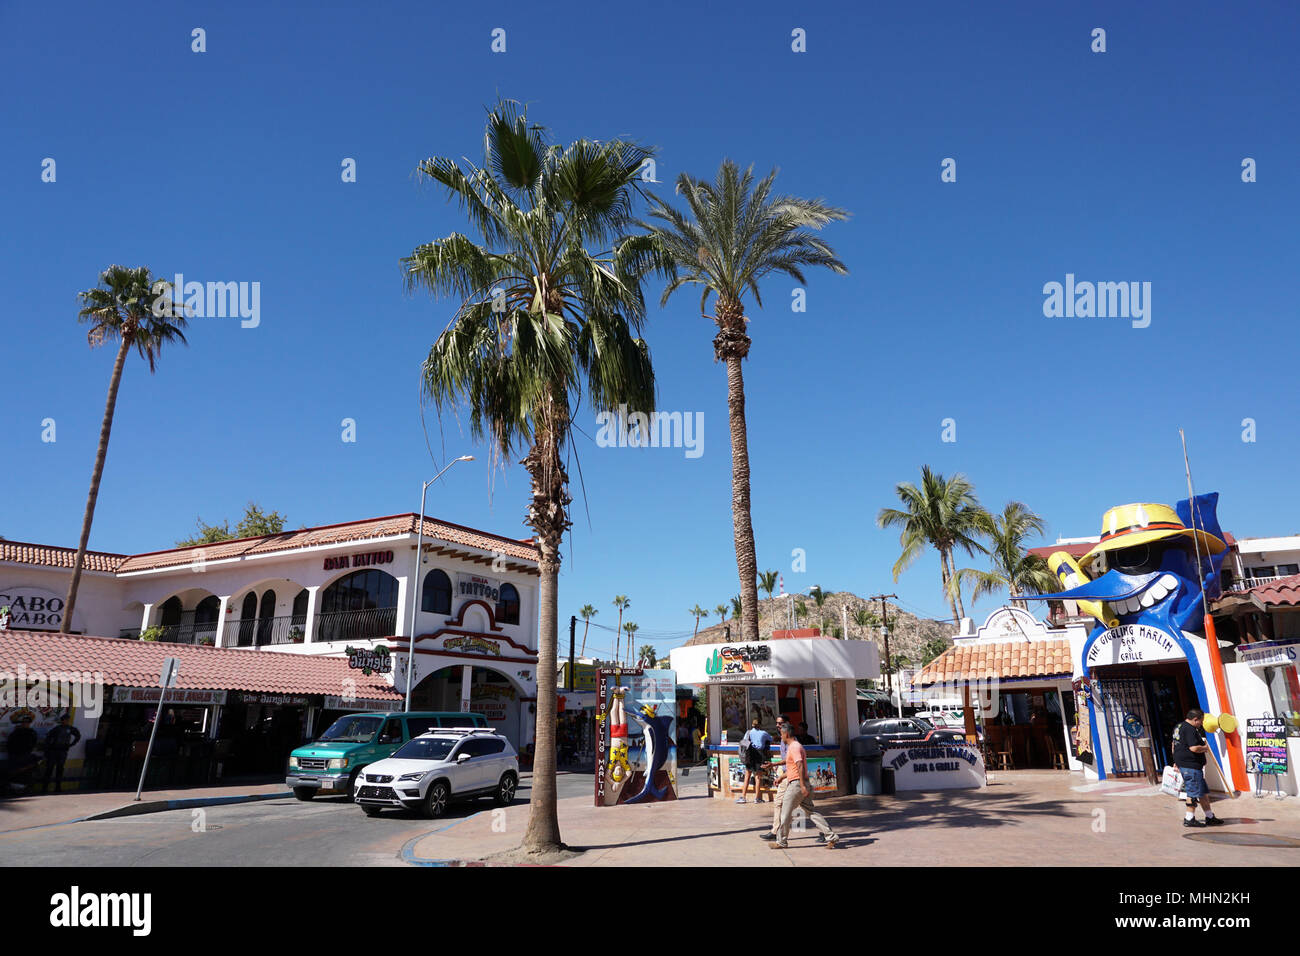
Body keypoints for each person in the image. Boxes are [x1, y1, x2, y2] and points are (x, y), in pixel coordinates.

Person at [771, 722, 839, 849]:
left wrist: (801, 785)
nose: (781, 737)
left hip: (797, 785)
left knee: (785, 813)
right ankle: (831, 836)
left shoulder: (794, 747)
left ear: (786, 734)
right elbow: (790, 764)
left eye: (781, 735)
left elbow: (800, 765)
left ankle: (781, 841)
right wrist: (776, 769)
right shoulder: (795, 746)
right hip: (801, 784)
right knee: (811, 812)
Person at [1173, 709, 1223, 828]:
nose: (1201, 724)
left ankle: (1209, 817)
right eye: (1200, 721)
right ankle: (1189, 818)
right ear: (1195, 719)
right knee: (1193, 792)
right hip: (1191, 766)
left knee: (1202, 793)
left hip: (1185, 764)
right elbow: (1193, 748)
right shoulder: (1190, 729)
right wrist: (1205, 748)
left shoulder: (1178, 726)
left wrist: (1176, 760)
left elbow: (1173, 744)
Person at [41, 714, 82, 793]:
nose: (66, 721)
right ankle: (44, 787)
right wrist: (48, 749)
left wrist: (72, 744)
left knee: (60, 769)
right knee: (49, 769)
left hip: (63, 751)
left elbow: (78, 735)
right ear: (62, 720)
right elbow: (48, 737)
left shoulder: (70, 729)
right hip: (54, 751)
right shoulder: (57, 729)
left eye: (67, 720)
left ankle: (58, 787)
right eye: (65, 720)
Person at [735, 718, 772, 804]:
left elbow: (744, 741)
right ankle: (757, 798)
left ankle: (743, 797)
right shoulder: (764, 733)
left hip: (750, 755)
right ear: (760, 725)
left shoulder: (749, 732)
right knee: (758, 777)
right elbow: (771, 739)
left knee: (747, 776)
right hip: (759, 755)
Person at [5, 715, 40, 793]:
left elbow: (34, 743)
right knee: (14, 772)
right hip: (15, 755)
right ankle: (13, 788)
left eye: (27, 722)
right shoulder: (16, 731)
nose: (25, 724)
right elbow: (9, 743)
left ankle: (24, 788)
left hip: (25, 755)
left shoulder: (32, 732)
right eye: (24, 722)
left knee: (25, 772)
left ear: (29, 723)